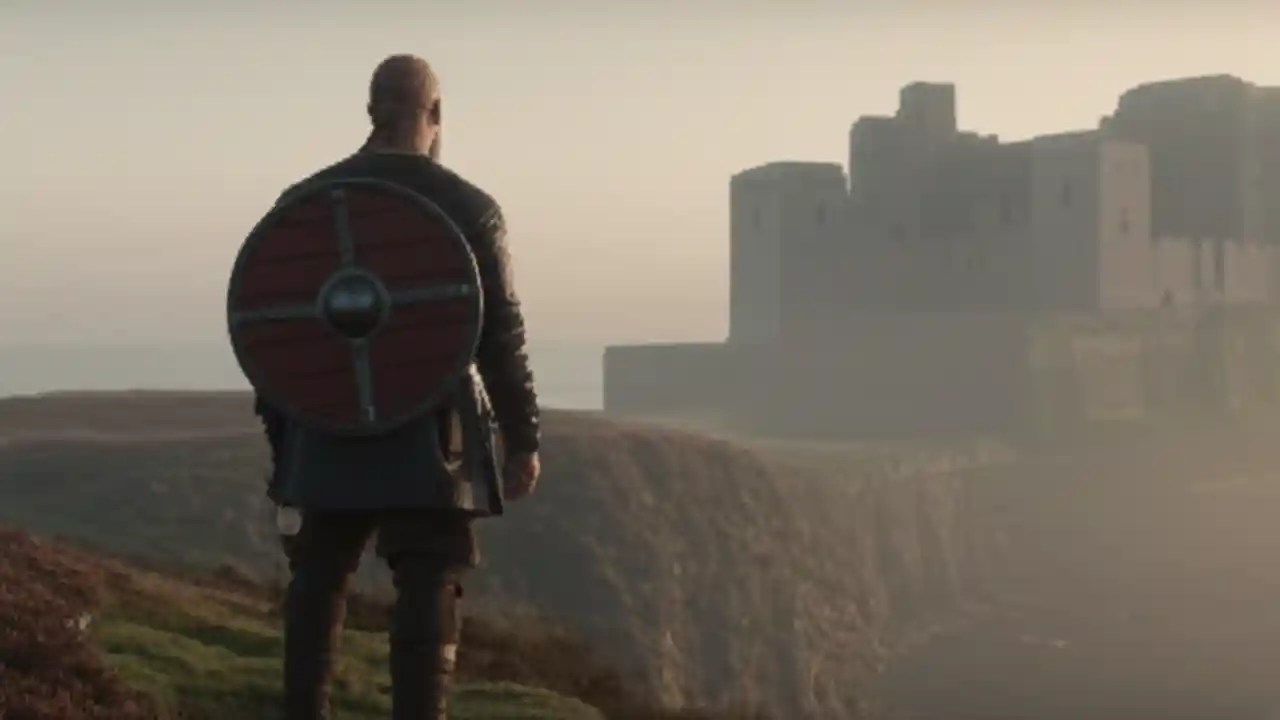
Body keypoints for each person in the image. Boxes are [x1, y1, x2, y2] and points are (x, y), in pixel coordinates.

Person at [252, 54, 541, 720]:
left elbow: (280, 343)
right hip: (427, 428)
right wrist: (523, 439)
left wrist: (286, 437)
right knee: (428, 577)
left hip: (326, 422)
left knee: (319, 575)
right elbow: (500, 333)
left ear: (371, 110)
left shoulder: (303, 205)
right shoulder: (468, 207)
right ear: (435, 116)